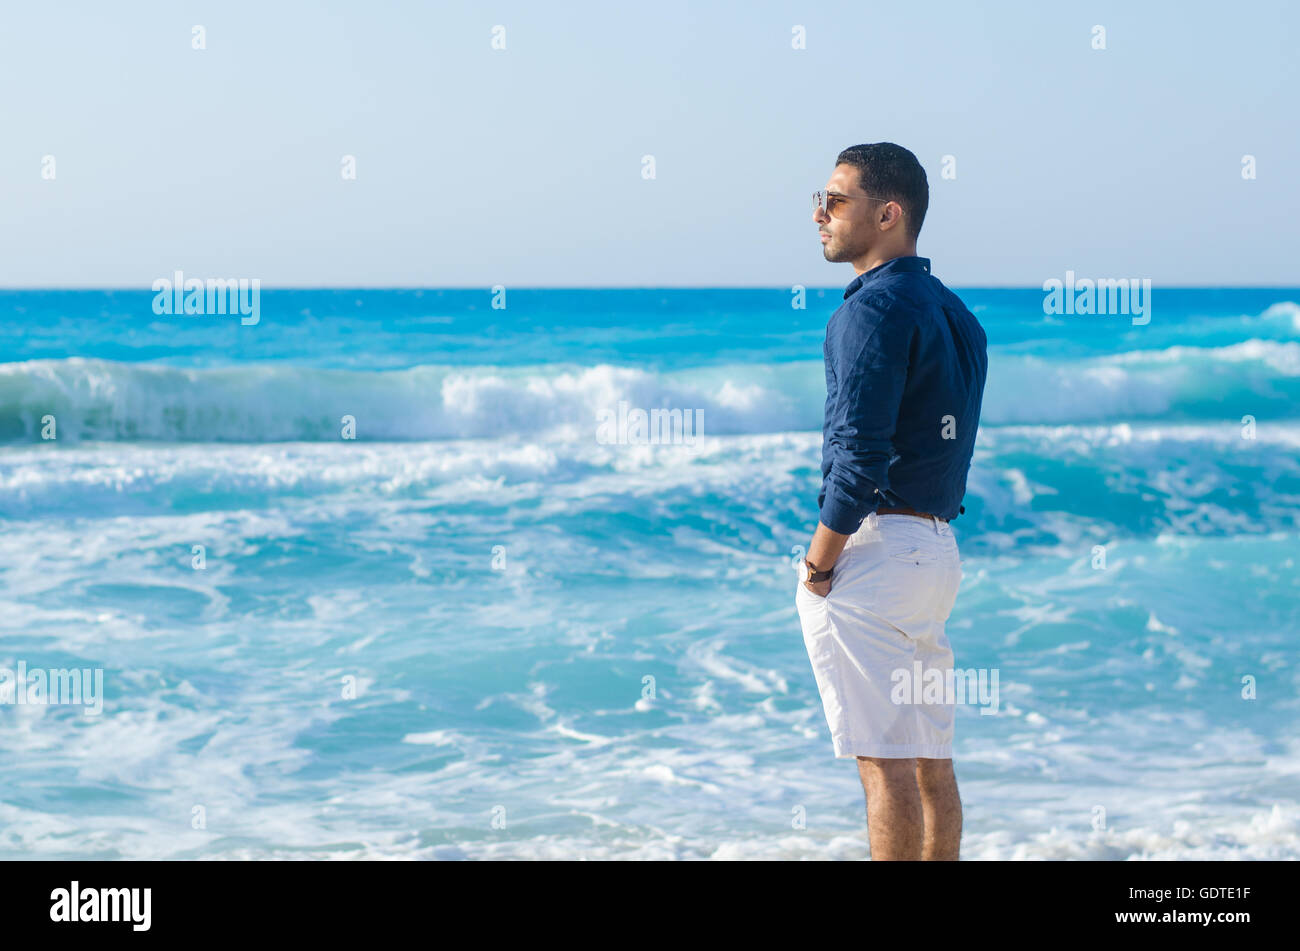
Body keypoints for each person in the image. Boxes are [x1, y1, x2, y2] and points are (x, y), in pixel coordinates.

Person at [796, 142, 987, 860]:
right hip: (936, 547)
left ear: (888, 213)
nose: (819, 213)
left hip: (878, 556)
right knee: (930, 760)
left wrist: (818, 565)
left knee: (884, 765)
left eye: (835, 200)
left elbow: (858, 457)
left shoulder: (868, 311)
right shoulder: (958, 314)